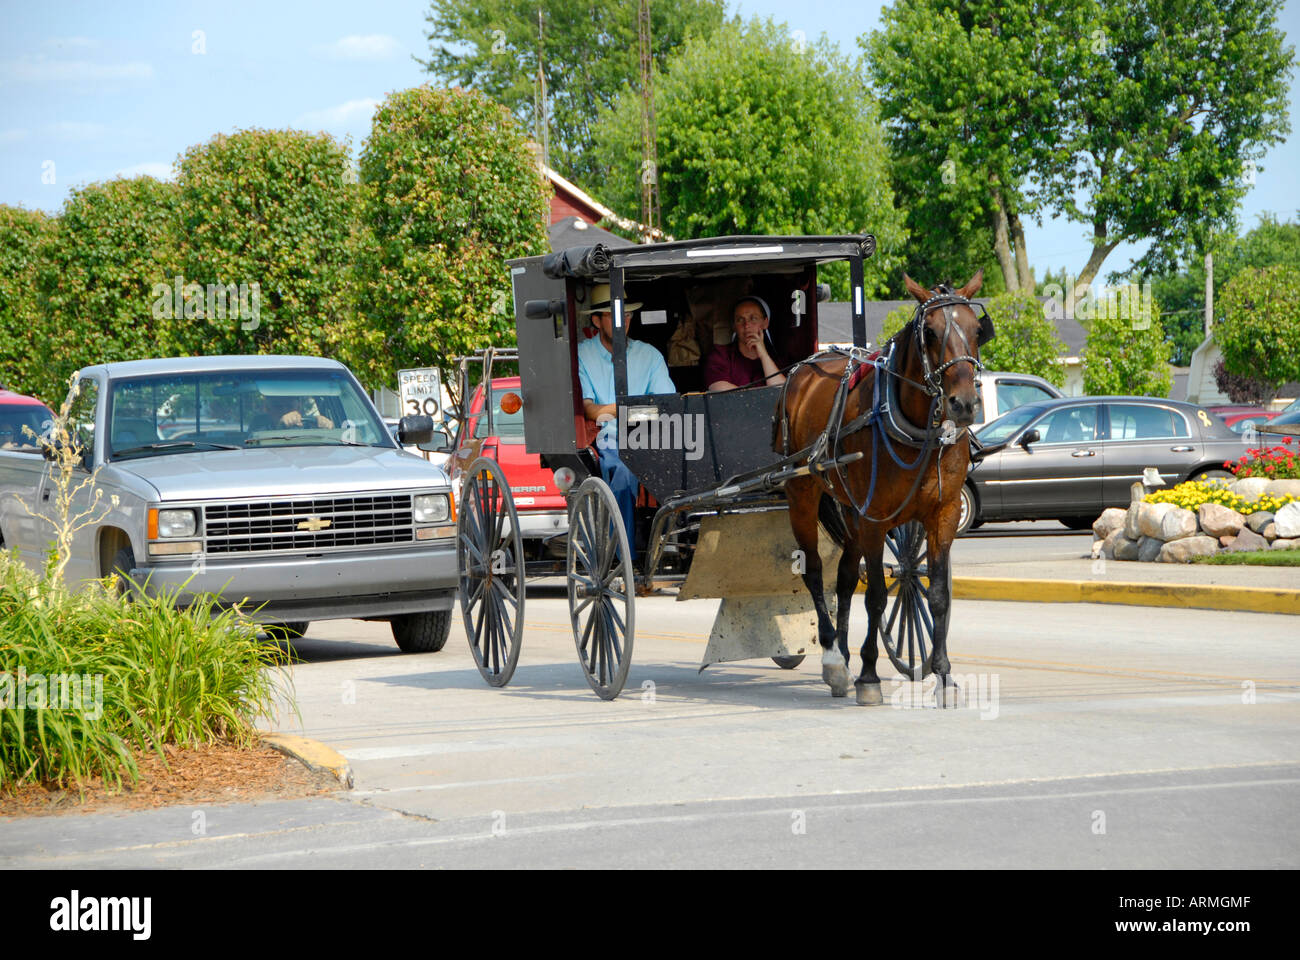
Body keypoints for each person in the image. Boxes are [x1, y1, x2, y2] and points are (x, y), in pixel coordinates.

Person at [576, 282, 676, 549]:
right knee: (621, 468)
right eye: (615, 315)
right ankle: (625, 555)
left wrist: (615, 410)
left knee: (691, 457)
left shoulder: (649, 355)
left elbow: (666, 405)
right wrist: (635, 409)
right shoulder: (583, 355)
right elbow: (590, 410)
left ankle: (677, 544)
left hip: (653, 435)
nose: (624, 321)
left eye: (627, 315)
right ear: (596, 320)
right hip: (610, 440)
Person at [704, 296, 786, 392]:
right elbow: (720, 390)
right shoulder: (720, 355)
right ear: (734, 326)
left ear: (765, 323)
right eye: (740, 320)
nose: (746, 325)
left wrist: (764, 355)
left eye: (753, 318)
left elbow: (782, 393)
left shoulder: (778, 360)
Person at [253, 394, 334, 431]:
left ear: (298, 408)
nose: (285, 412)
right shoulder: (260, 433)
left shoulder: (310, 427)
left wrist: (327, 426)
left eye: (290, 407)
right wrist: (280, 428)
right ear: (267, 409)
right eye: (278, 407)